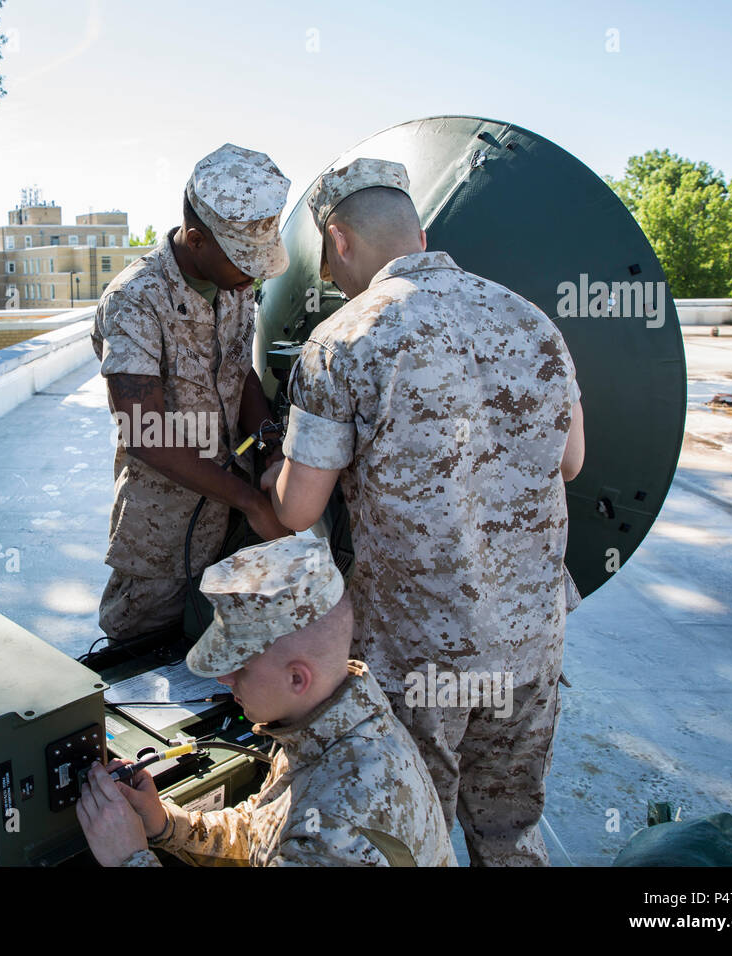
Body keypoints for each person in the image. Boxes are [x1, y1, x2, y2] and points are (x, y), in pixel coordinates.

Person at [264, 158, 585, 866]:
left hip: (420, 662)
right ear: (422, 231)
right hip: (532, 641)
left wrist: (277, 469)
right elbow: (571, 463)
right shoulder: (532, 320)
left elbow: (296, 511)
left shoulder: (343, 339)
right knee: (509, 837)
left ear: (339, 240)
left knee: (417, 836)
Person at [76, 535, 456, 867]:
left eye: (239, 667)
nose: (224, 680)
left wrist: (129, 857)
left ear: (297, 678)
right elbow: (264, 829)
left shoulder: (337, 834)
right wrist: (165, 824)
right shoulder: (329, 721)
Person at [91, 143, 293, 643]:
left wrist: (268, 446)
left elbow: (238, 371)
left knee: (226, 659)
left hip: (235, 529)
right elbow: (144, 433)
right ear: (197, 239)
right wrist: (251, 502)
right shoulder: (135, 300)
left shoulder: (235, 285)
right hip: (163, 534)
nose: (254, 274)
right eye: (244, 260)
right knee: (144, 664)